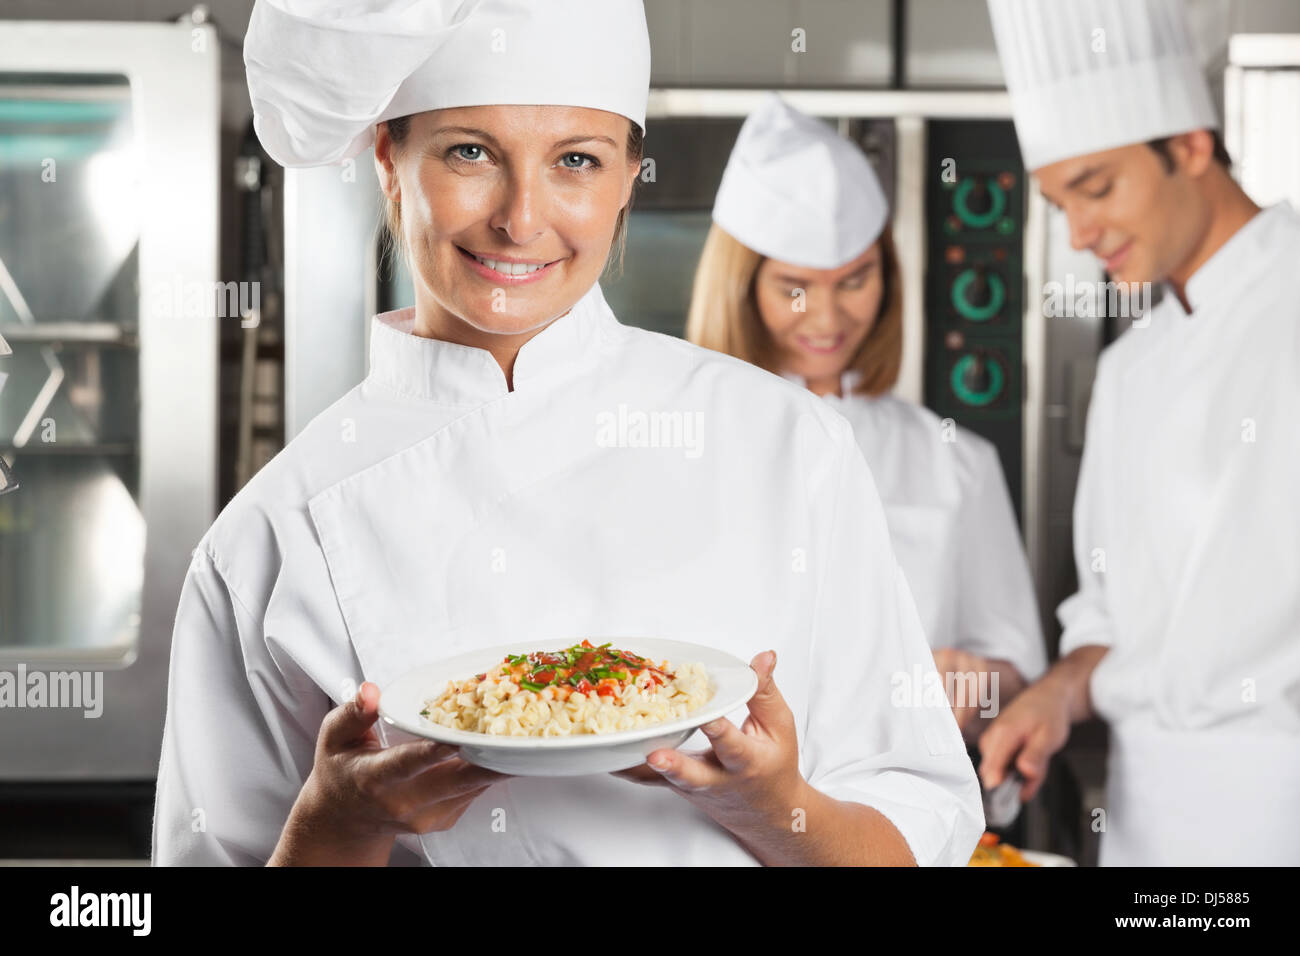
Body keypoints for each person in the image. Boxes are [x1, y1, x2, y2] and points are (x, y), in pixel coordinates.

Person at [151, 0, 984, 867]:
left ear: (628, 178)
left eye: (576, 161)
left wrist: (776, 807)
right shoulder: (267, 541)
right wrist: (339, 824)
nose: (521, 218)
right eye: (470, 152)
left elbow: (917, 824)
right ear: (390, 161)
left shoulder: (788, 443)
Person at [980, 0, 1300, 865]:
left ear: (1190, 145)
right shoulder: (1131, 370)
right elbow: (1111, 613)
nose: (1082, 235)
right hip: (1145, 815)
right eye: (1059, 205)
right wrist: (1057, 691)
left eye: (1096, 188)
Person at [687, 94, 1046, 744]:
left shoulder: (956, 461)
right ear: (741, 285)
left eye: (854, 281)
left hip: (895, 813)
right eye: (794, 287)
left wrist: (979, 680)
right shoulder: (679, 448)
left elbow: (1013, 676)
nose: (827, 320)